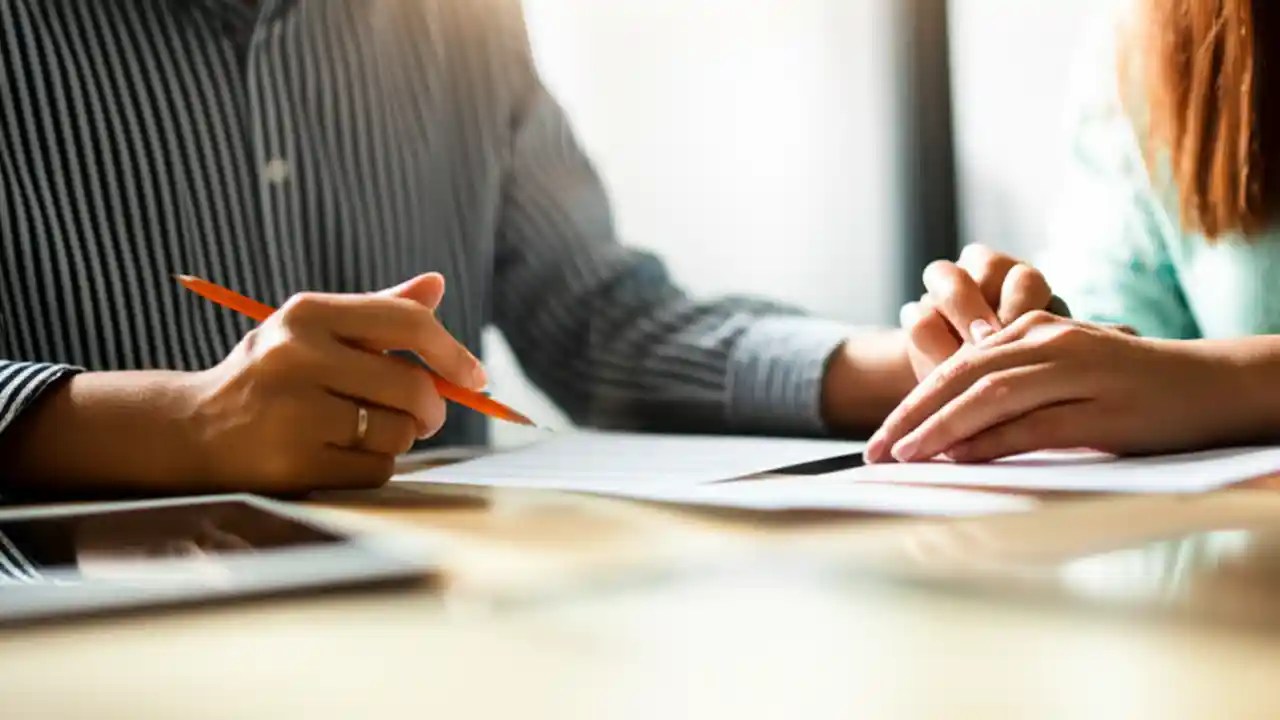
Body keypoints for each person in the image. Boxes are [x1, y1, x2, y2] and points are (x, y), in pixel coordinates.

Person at [0, 0, 1053, 496]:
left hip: (446, 625)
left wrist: (919, 373)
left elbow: (594, 318)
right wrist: (183, 424)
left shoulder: (462, 20)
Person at [867, 0, 1280, 464]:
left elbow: (1169, 378)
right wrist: (1018, 336)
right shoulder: (1157, 38)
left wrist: (1220, 383)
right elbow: (1128, 343)